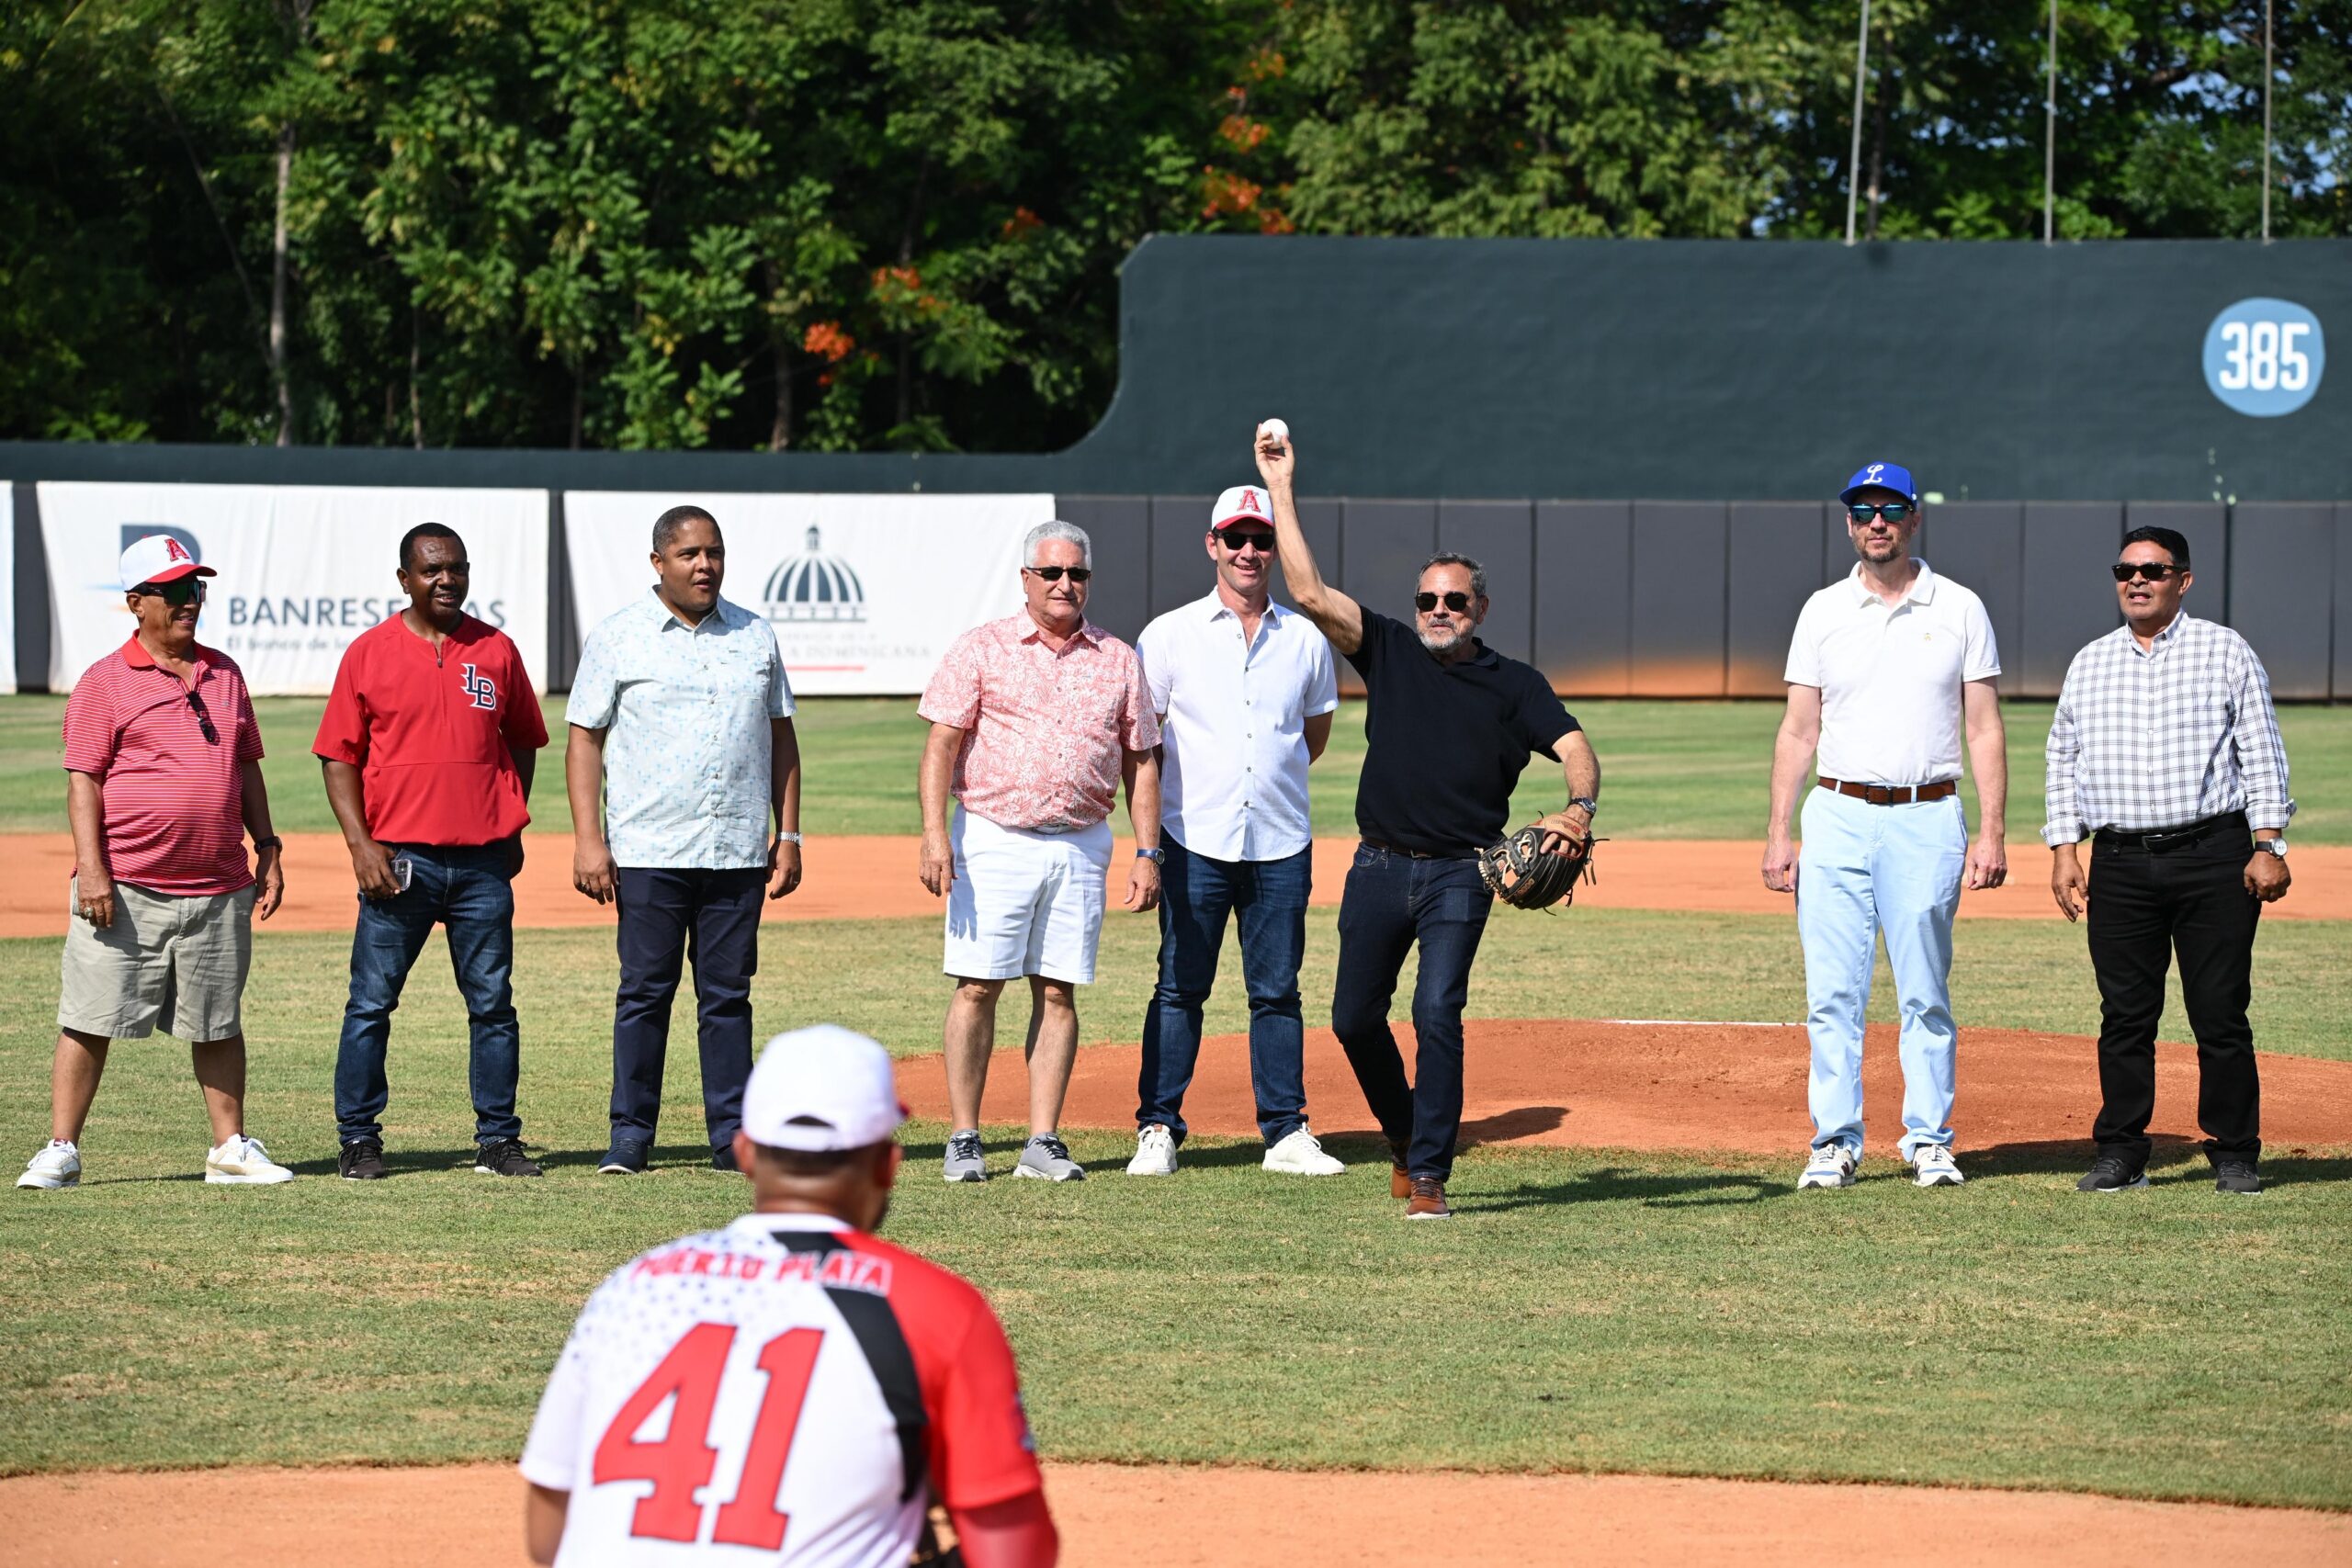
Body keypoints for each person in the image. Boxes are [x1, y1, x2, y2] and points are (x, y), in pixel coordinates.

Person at [519, 1024, 1057, 1568]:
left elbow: (548, 1538)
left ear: (747, 1152)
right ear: (887, 1166)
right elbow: (1015, 1552)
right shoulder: (933, 1309)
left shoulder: (633, 1287)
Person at [1257, 428, 1599, 1220]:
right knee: (1352, 1017)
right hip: (1378, 866)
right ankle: (1409, 1137)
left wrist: (1579, 809)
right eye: (1427, 600)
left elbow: (1578, 748)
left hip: (1461, 872)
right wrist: (1281, 488)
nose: (1438, 610)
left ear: (1479, 609)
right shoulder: (1389, 651)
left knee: (1437, 1010)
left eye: (1453, 600)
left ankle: (1432, 1175)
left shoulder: (1516, 685)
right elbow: (1309, 594)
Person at [17, 534, 292, 1190]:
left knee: (218, 1019)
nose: (188, 601)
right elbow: (83, 780)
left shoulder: (226, 673)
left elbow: (246, 766)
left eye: (194, 588)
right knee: (89, 1017)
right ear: (137, 603)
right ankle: (61, 1147)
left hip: (219, 883)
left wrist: (270, 845)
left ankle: (229, 1147)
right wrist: (93, 870)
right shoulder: (103, 682)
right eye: (173, 591)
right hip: (128, 885)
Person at [1763, 462, 2007, 1191]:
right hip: (1836, 814)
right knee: (1831, 993)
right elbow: (1798, 731)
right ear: (1848, 522)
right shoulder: (1822, 610)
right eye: (1863, 509)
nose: (1877, 521)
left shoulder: (1959, 606)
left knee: (1925, 991)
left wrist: (1992, 831)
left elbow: (1985, 728)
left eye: (1890, 508)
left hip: (1928, 814)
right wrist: (1780, 830)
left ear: (1913, 518)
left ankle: (1929, 1139)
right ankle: (1834, 1142)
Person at [2045, 526, 2292, 1197]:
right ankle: (2122, 1150)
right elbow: (2062, 757)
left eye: (2153, 570)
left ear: (2183, 579)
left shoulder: (2224, 650)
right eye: (2126, 569)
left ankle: (2235, 1151)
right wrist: (2065, 848)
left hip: (2214, 854)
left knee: (2219, 1010)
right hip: (2120, 860)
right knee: (2125, 1014)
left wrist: (2268, 843)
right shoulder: (2090, 661)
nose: (2137, 580)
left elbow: (2261, 751)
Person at [917, 520, 1161, 1184]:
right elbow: (941, 743)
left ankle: (1042, 1140)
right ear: (1026, 578)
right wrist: (936, 835)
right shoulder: (982, 647)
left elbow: (1141, 761)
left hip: (1081, 843)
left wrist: (1148, 851)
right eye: (1051, 572)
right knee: (977, 986)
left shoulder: (1117, 657)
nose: (1064, 584)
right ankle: (964, 1137)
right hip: (994, 835)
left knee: (1058, 991)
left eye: (1076, 573)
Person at [567, 504, 804, 1175]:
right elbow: (585, 737)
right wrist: (590, 840)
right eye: (691, 553)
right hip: (648, 850)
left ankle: (733, 1136)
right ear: (658, 563)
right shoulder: (619, 636)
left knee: (727, 998)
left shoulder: (756, 634)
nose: (706, 565)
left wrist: (786, 833)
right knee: (645, 991)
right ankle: (630, 1135)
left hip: (735, 850)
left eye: (715, 552)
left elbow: (781, 735)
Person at [314, 522, 550, 1180]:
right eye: (431, 570)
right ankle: (359, 1138)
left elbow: (525, 738)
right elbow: (338, 756)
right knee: (370, 1004)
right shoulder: (369, 652)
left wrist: (510, 821)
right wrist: (361, 844)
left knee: (493, 1006)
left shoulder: (496, 649)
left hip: (481, 864)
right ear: (404, 579)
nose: (446, 579)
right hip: (399, 861)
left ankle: (498, 1138)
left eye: (457, 568)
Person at [1126, 483, 1342, 1179]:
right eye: (1237, 537)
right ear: (1213, 544)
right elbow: (1144, 745)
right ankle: (1158, 1126)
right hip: (1195, 839)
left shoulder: (1305, 639)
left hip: (1280, 840)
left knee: (1277, 990)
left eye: (1262, 538)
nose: (1250, 551)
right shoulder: (1169, 634)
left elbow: (1311, 736)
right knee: (1179, 987)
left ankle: (1284, 1131)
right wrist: (1150, 845)